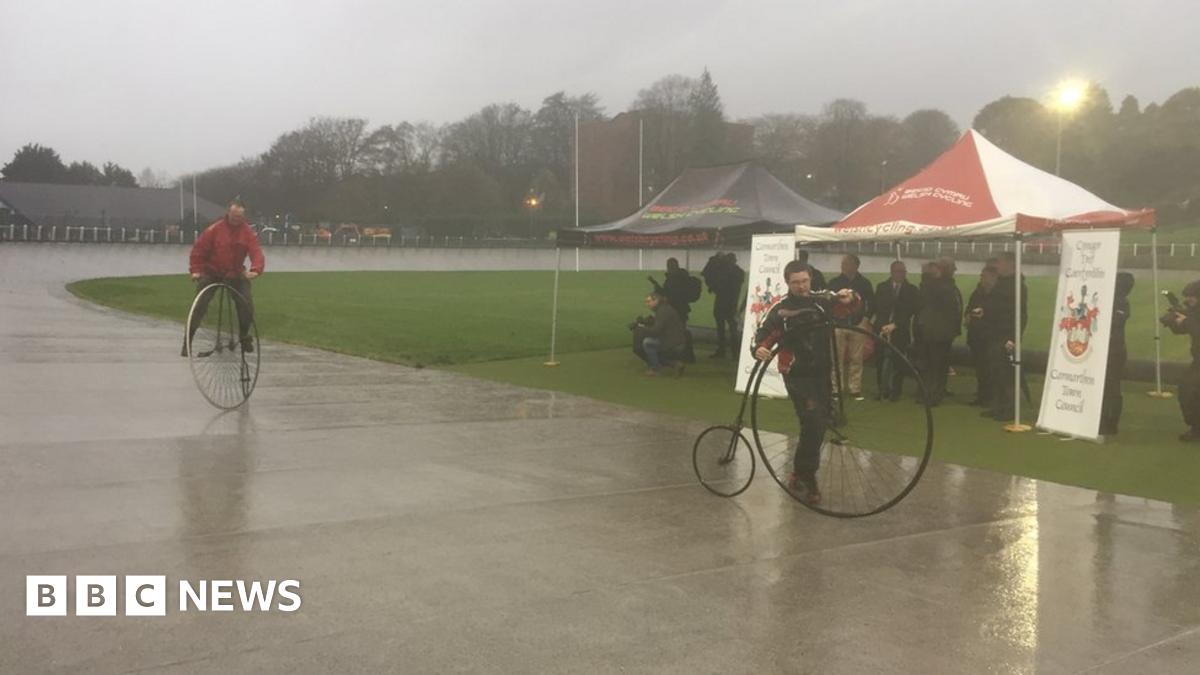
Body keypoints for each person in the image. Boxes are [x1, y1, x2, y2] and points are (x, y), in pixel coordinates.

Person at [753, 260, 859, 504]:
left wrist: (850, 297)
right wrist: (759, 348)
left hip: (822, 373)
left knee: (816, 424)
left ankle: (799, 472)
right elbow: (762, 334)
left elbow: (851, 307)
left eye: (804, 281)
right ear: (787, 283)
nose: (801, 286)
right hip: (797, 375)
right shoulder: (780, 309)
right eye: (795, 282)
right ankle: (806, 475)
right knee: (813, 420)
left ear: (811, 279)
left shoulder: (823, 301)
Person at [181, 197, 264, 357]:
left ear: (243, 216)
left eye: (239, 217)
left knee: (246, 304)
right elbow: (199, 251)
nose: (236, 220)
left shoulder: (247, 233)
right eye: (234, 216)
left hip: (235, 273)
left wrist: (256, 269)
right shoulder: (214, 230)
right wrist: (196, 271)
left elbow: (256, 251)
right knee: (199, 305)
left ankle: (244, 336)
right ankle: (187, 342)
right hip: (213, 272)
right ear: (228, 213)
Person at [980, 251, 1028, 421]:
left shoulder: (1017, 286)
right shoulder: (1001, 283)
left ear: (1010, 264)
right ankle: (998, 406)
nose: (997, 266)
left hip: (1006, 335)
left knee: (1006, 374)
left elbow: (1020, 314)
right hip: (994, 333)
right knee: (996, 372)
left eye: (1000, 263)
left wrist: (1013, 338)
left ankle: (1009, 408)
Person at [915, 257, 962, 405]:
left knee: (937, 364)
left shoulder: (939, 285)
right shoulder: (937, 286)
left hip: (940, 331)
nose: (955, 270)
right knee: (934, 364)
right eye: (952, 267)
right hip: (936, 331)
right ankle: (931, 394)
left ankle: (933, 392)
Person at [828, 254, 875, 400]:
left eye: (847, 263)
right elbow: (828, 303)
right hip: (838, 324)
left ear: (856, 265)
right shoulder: (834, 282)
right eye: (843, 263)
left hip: (858, 323)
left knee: (856, 357)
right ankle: (836, 388)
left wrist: (866, 319)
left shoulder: (864, 283)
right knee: (836, 357)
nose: (844, 266)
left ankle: (855, 388)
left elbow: (871, 302)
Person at [871, 260, 919, 401]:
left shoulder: (912, 290)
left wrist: (896, 324)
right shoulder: (882, 287)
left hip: (900, 331)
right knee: (880, 361)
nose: (901, 274)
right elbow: (877, 307)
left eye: (903, 272)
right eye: (898, 271)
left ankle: (895, 391)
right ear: (892, 272)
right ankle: (882, 389)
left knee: (898, 362)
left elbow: (911, 310)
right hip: (881, 330)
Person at [1099, 272, 1134, 437]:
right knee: (1108, 387)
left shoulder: (1121, 303)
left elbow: (1114, 322)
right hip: (1110, 349)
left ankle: (1110, 423)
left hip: (1114, 351)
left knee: (1111, 387)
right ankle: (1104, 420)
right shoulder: (1116, 301)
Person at [1165, 280, 1200, 441]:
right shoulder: (1194, 312)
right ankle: (1196, 428)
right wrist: (1172, 322)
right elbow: (1184, 328)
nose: (1189, 301)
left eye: (1192, 298)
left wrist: (1185, 321)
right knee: (1188, 391)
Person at [964, 261, 999, 406]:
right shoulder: (977, 293)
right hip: (976, 336)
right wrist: (968, 316)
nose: (981, 279)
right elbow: (969, 309)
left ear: (992, 277)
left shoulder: (998, 295)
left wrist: (986, 313)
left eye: (984, 276)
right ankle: (982, 396)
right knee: (980, 369)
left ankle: (991, 397)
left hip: (990, 337)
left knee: (991, 369)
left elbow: (1000, 315)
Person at [632, 291, 687, 376]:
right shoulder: (664, 308)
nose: (647, 304)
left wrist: (640, 328)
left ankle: (656, 369)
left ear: (656, 300)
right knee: (649, 346)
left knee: (647, 343)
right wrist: (644, 322)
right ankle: (674, 364)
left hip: (673, 341)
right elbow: (658, 324)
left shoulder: (662, 311)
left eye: (649, 301)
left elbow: (656, 331)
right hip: (675, 339)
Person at [702, 252, 745, 358]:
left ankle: (723, 350)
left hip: (722, 302)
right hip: (732, 303)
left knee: (722, 328)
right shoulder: (738, 272)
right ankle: (735, 352)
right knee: (732, 328)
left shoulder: (723, 271)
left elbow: (708, 273)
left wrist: (715, 259)